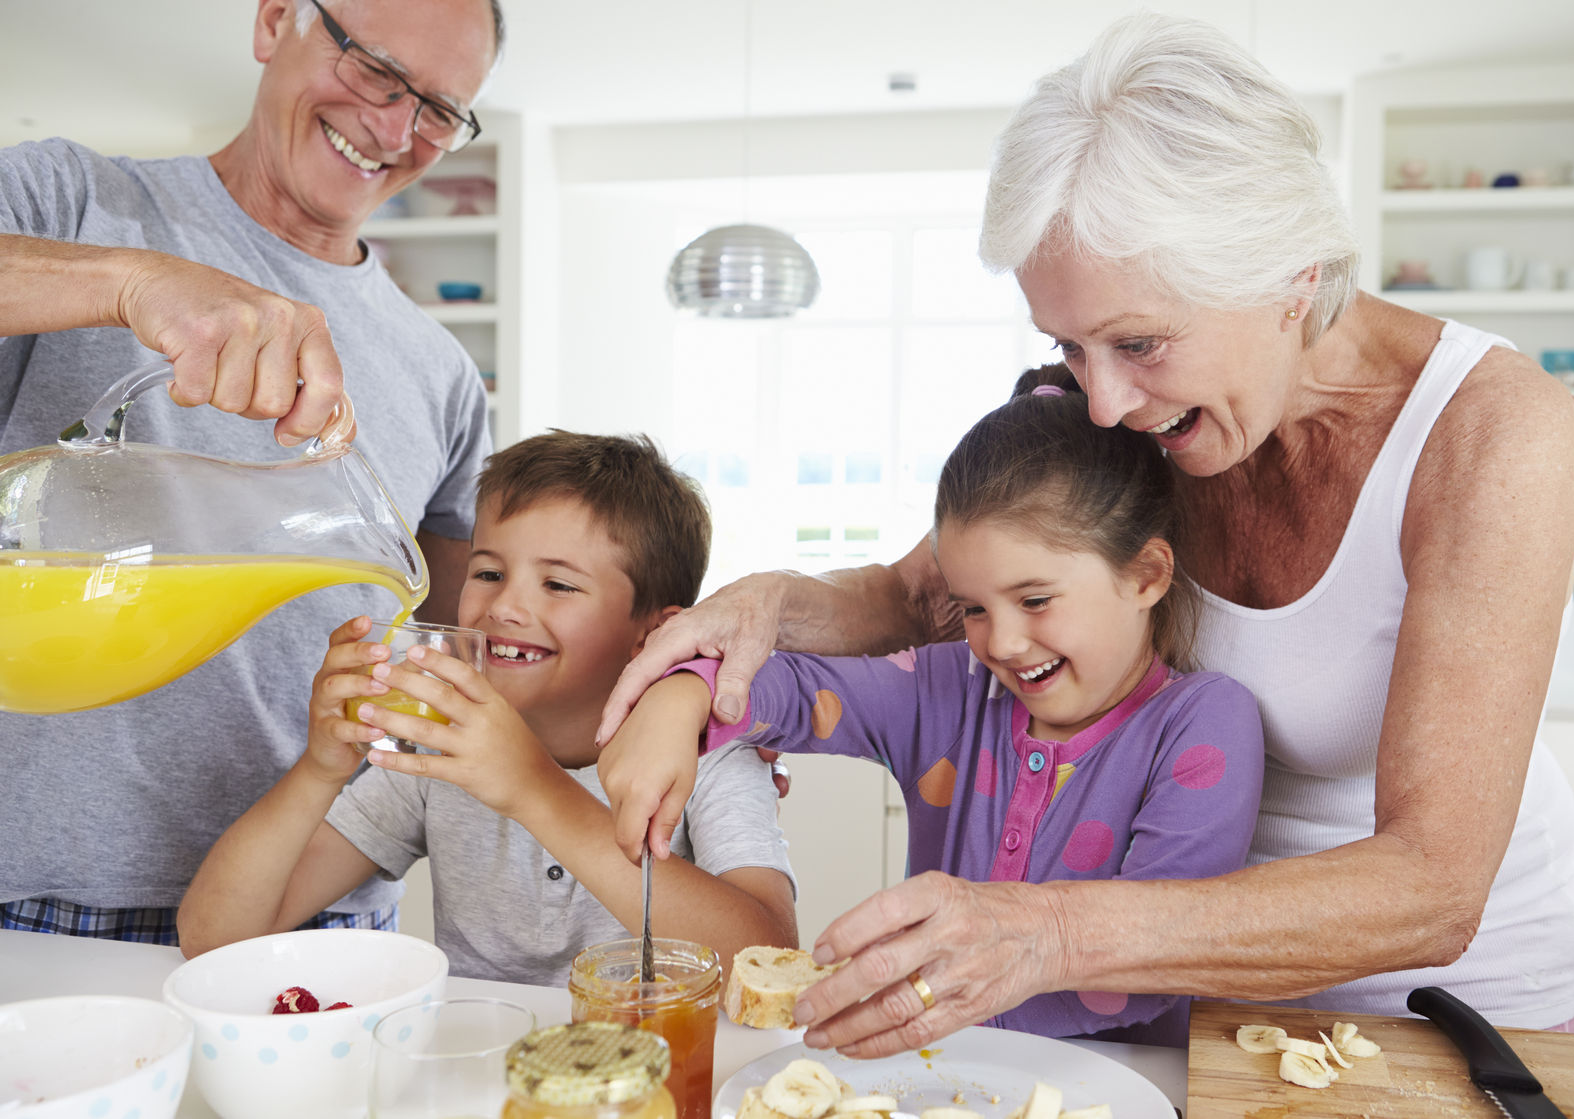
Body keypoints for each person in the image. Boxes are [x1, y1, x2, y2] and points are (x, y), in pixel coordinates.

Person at [598, 11, 1574, 1056]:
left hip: (1456, 1022)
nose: (1105, 403)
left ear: (1291, 274)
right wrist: (754, 613)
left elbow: (1434, 886)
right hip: (1194, 1005)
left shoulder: (1490, 434)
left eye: (1141, 343)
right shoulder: (1122, 411)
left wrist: (1045, 933)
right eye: (1071, 346)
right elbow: (914, 596)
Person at [0, 0, 505, 941]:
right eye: (375, 69)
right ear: (275, 22)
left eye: (439, 109)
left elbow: (460, 638)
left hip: (321, 915)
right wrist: (128, 282)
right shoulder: (75, 203)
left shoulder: (439, 371)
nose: (395, 129)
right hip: (44, 902)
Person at [601, 368, 1264, 1046]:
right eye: (973, 608)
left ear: (1146, 575)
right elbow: (795, 690)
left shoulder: (1204, 725)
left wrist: (919, 1004)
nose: (1001, 642)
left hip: (1128, 1086)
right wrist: (682, 696)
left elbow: (1152, 963)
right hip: (938, 1077)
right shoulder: (951, 687)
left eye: (1035, 600)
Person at [179, 430, 798, 980]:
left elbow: (767, 962)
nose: (503, 607)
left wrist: (531, 786)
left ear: (655, 633)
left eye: (558, 584)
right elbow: (215, 940)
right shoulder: (440, 743)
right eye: (489, 573)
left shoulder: (707, 754)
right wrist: (321, 770)